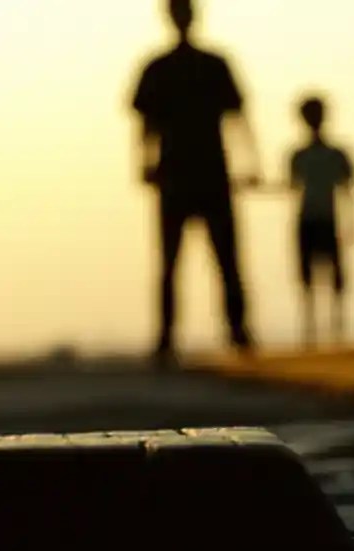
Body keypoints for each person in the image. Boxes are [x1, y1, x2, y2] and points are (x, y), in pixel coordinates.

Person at [131, 0, 263, 366]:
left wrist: (250, 161)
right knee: (174, 261)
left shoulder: (206, 65)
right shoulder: (163, 68)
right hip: (180, 174)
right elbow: (145, 125)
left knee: (224, 258)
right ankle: (168, 337)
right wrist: (143, 164)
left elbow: (238, 116)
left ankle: (236, 330)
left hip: (206, 172)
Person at [288, 95, 354, 348]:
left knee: (334, 279)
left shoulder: (335, 155)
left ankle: (337, 330)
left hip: (327, 220)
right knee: (308, 279)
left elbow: (349, 190)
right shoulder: (299, 155)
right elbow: (292, 186)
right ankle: (312, 333)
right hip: (308, 220)